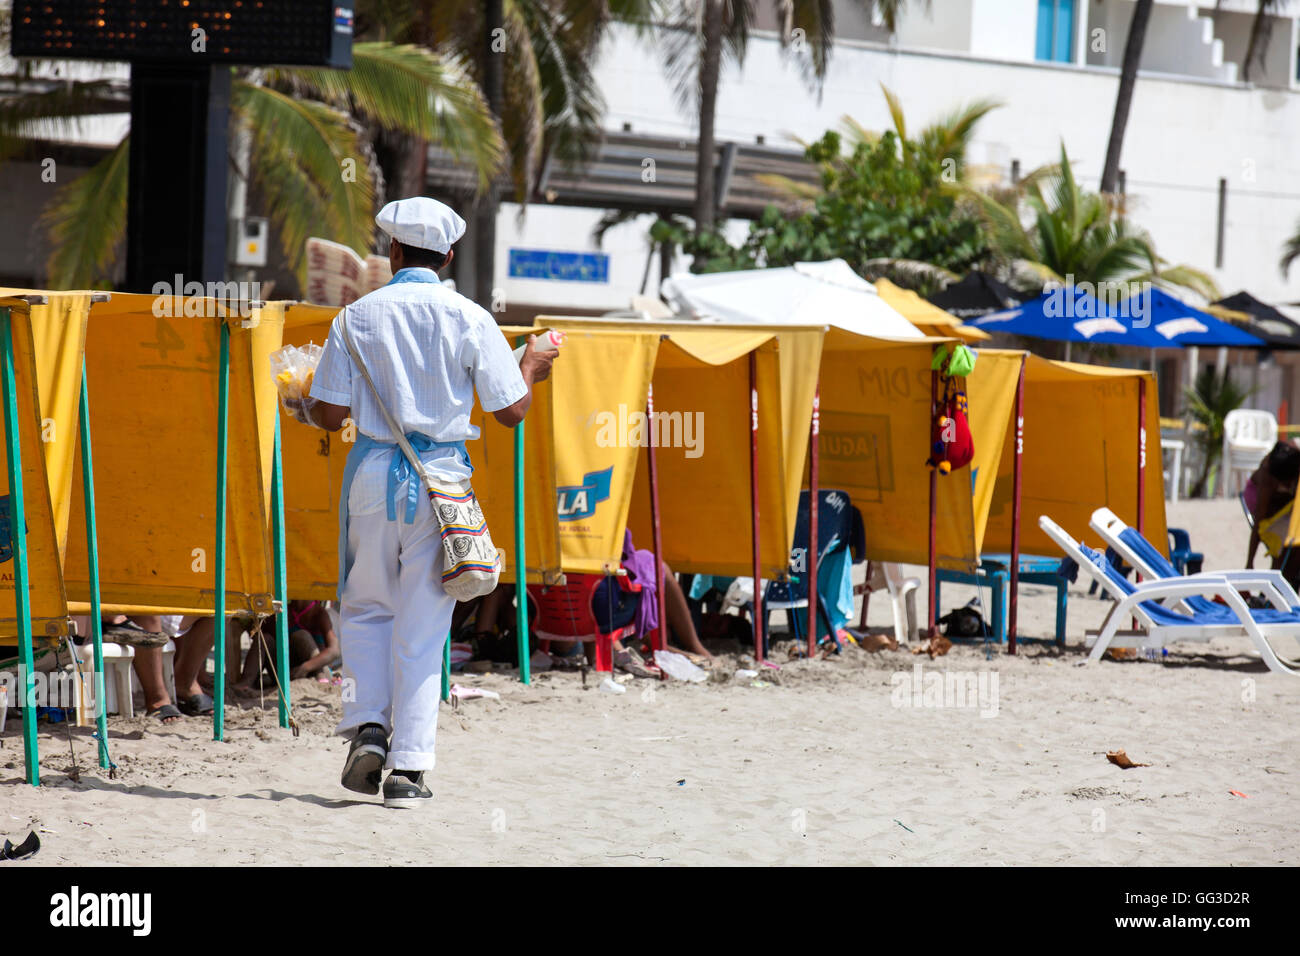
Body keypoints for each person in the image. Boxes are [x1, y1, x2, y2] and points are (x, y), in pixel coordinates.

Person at [287, 196, 556, 809]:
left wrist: (307, 401)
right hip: (442, 485)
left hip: (373, 479)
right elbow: (510, 412)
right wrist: (534, 364)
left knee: (364, 611)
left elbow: (329, 414)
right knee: (424, 627)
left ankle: (369, 728)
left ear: (395, 252)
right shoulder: (471, 317)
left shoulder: (356, 317)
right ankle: (408, 769)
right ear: (449, 256)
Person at [236, 600, 340, 687]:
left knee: (301, 635)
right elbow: (260, 638)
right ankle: (246, 683)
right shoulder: (284, 610)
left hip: (314, 671)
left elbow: (334, 651)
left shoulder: (318, 613)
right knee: (264, 638)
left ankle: (321, 682)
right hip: (285, 672)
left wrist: (305, 667)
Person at [1245, 440, 1300, 584]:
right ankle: (1278, 586)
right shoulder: (1268, 477)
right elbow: (1258, 524)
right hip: (1265, 509)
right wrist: (1250, 563)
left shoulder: (1292, 456)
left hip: (1286, 504)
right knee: (1286, 543)